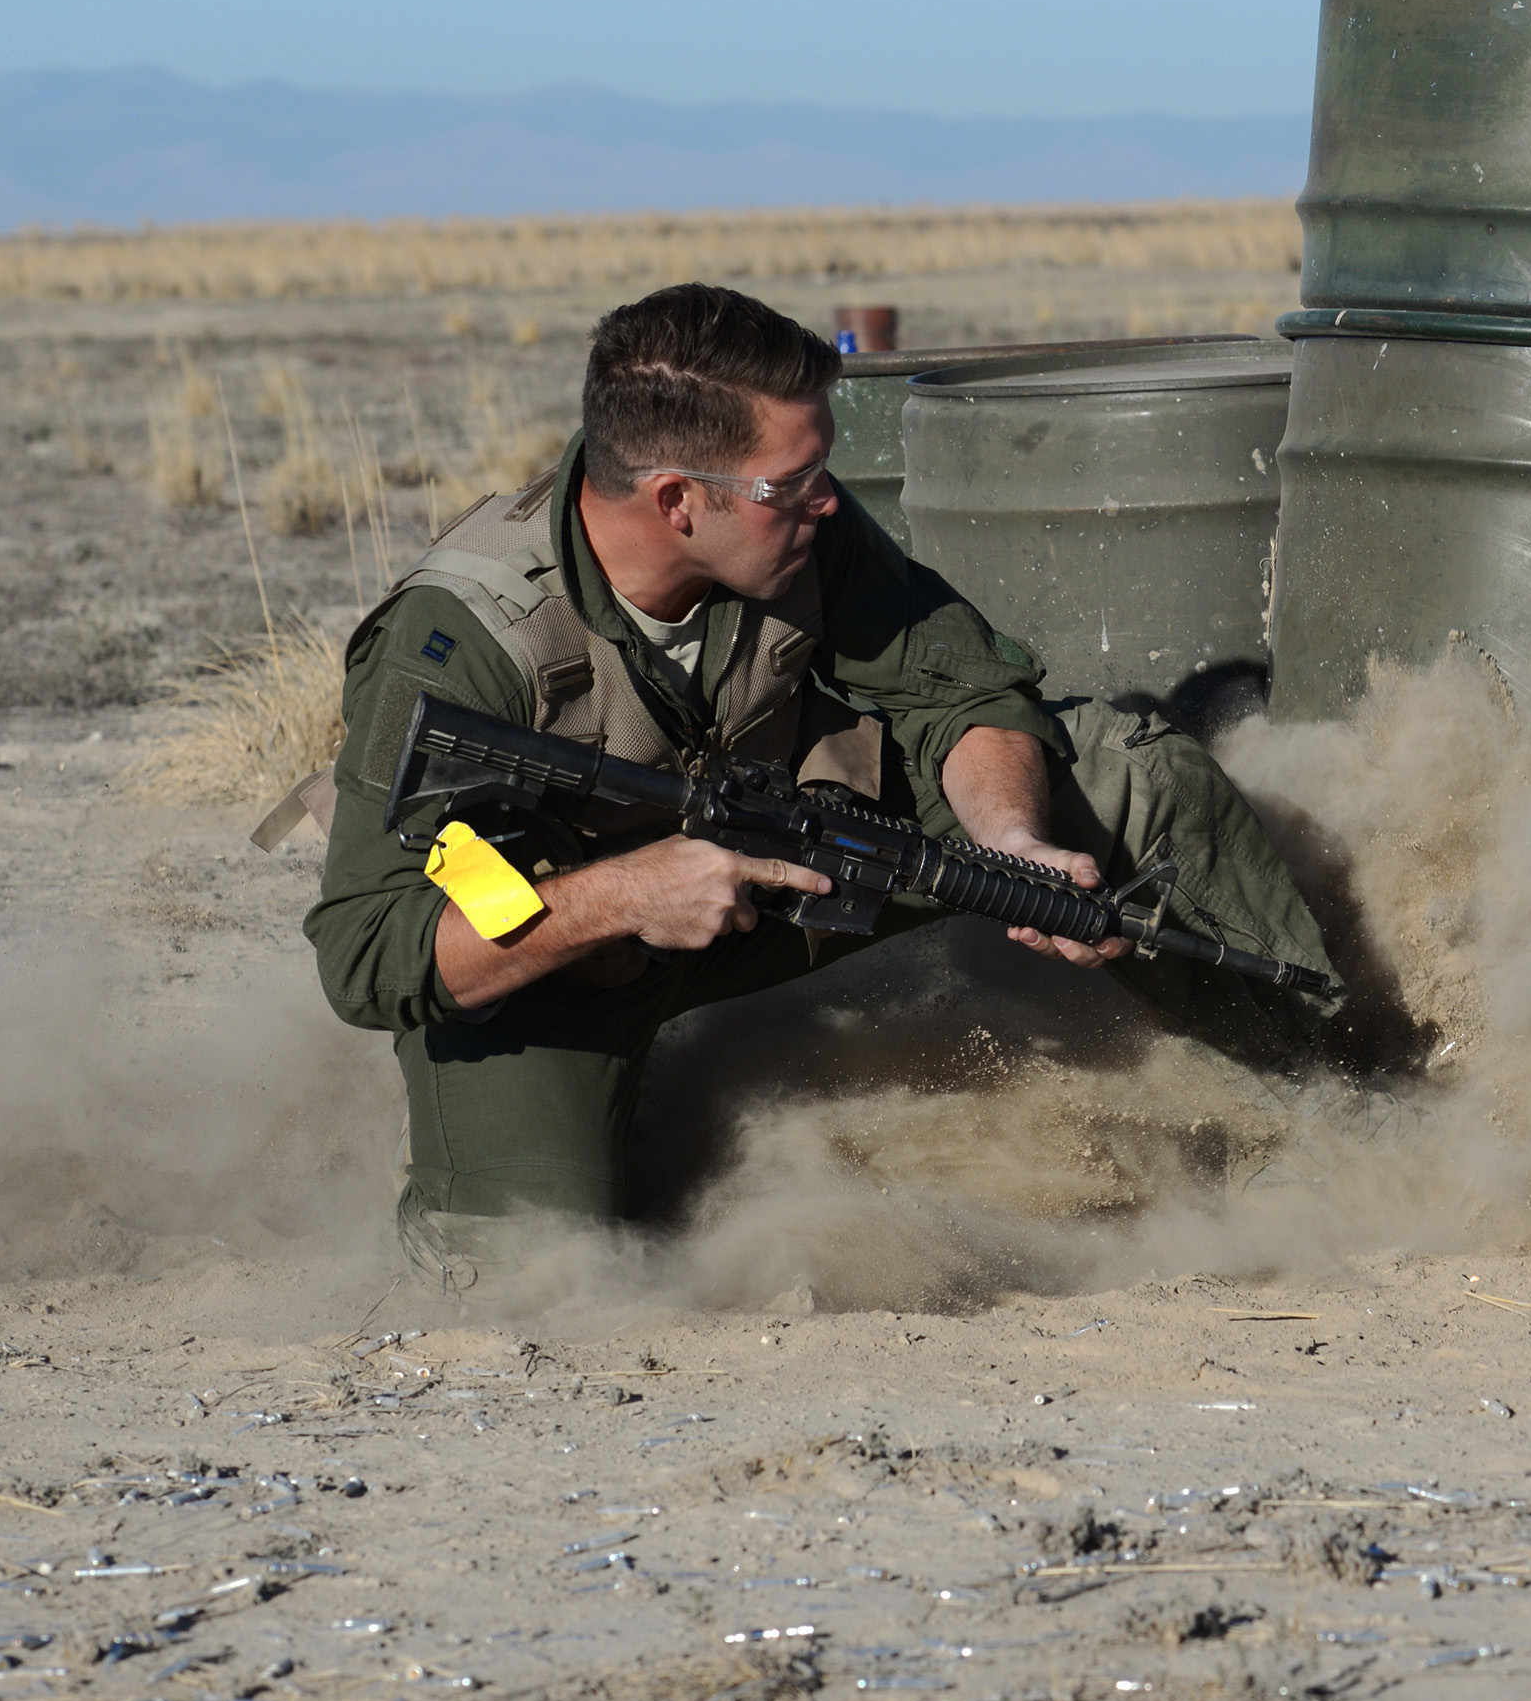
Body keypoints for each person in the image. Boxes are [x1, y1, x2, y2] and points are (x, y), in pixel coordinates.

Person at [293, 283, 1342, 1283]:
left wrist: (1011, 840)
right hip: (558, 962)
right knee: (539, 1278)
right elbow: (366, 948)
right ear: (677, 501)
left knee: (1120, 771)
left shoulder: (796, 532)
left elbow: (964, 691)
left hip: (784, 871)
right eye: (792, 484)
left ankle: (1326, 1096)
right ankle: (502, 1156)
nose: (829, 500)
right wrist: (623, 895)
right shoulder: (463, 641)